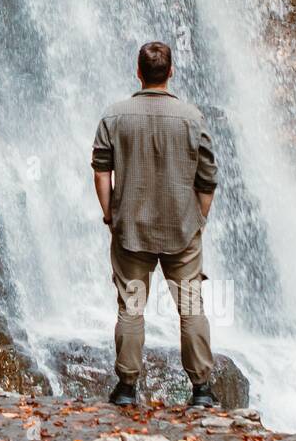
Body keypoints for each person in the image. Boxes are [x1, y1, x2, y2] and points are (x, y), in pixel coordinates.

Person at [91, 41, 218, 407]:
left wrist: (110, 214)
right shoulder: (192, 118)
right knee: (191, 306)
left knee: (131, 307)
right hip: (182, 230)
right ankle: (202, 391)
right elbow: (208, 178)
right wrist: (199, 219)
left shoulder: (114, 116)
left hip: (131, 229)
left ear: (138, 71)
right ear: (171, 72)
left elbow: (101, 169)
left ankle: (127, 388)